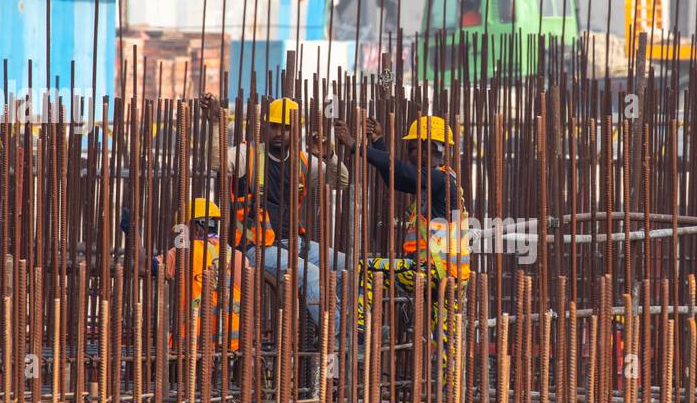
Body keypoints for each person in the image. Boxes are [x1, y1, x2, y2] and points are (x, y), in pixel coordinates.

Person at [202, 93, 351, 339]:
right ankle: (336, 338)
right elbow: (216, 162)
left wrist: (329, 156)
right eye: (274, 127)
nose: (279, 133)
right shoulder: (246, 156)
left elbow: (341, 181)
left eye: (286, 128)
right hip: (257, 247)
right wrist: (216, 122)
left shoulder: (303, 162)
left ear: (296, 131)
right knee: (311, 274)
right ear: (265, 127)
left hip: (294, 244)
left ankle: (349, 328)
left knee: (348, 264)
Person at [351, 114, 470, 342]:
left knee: (364, 269)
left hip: (433, 270)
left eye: (413, 148)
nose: (409, 155)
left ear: (429, 147)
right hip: (449, 274)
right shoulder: (436, 181)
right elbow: (394, 179)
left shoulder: (439, 179)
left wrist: (356, 147)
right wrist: (378, 143)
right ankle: (450, 378)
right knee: (445, 346)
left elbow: (399, 168)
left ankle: (359, 334)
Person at [160, 197, 245, 352]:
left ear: (195, 227)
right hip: (234, 346)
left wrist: (134, 237)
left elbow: (146, 268)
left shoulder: (183, 253)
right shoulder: (238, 257)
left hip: (192, 346)